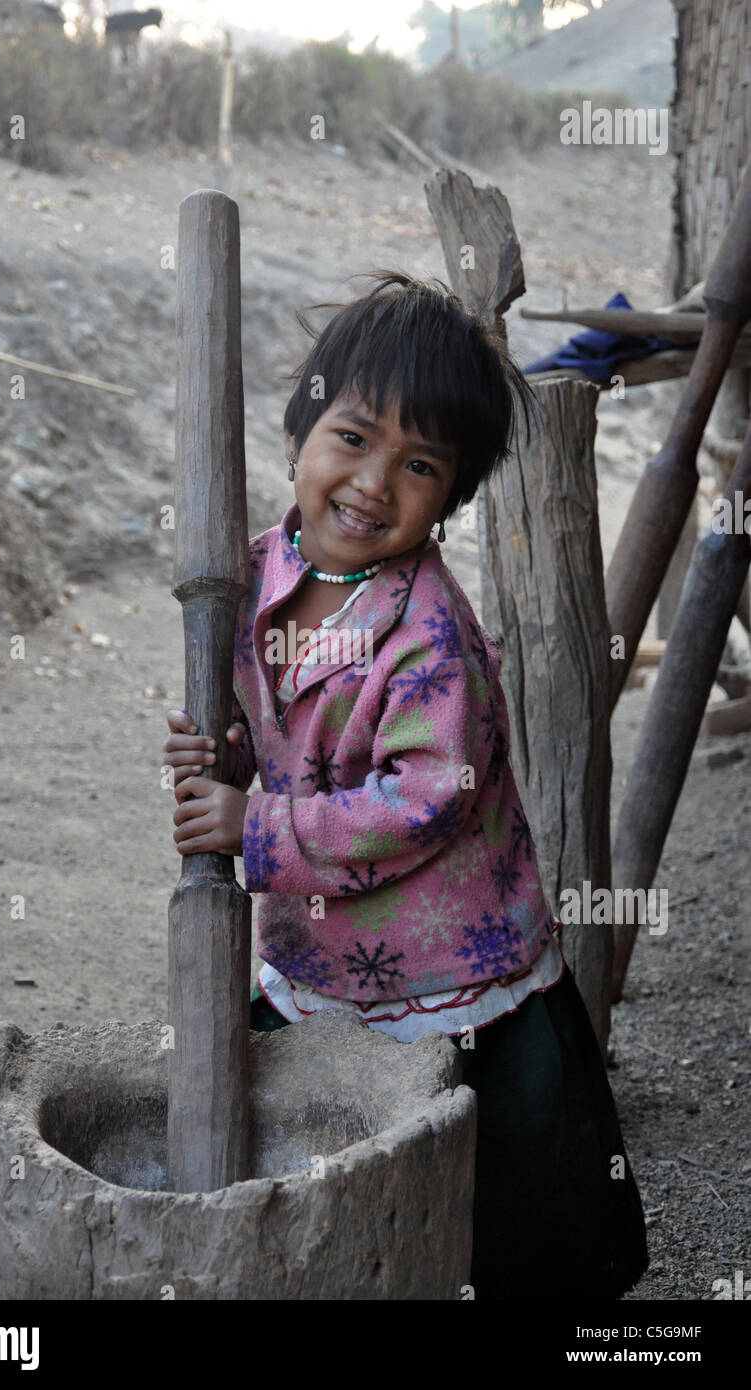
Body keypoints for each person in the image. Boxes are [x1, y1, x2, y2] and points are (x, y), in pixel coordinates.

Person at [163, 270, 649, 1301]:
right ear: (301, 426)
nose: (372, 482)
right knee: (310, 1186)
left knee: (489, 1218)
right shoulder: (253, 575)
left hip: (448, 980)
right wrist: (231, 759)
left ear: (452, 497)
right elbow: (282, 729)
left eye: (417, 463)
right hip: (321, 955)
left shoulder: (427, 635)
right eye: (351, 437)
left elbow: (423, 797)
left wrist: (254, 828)